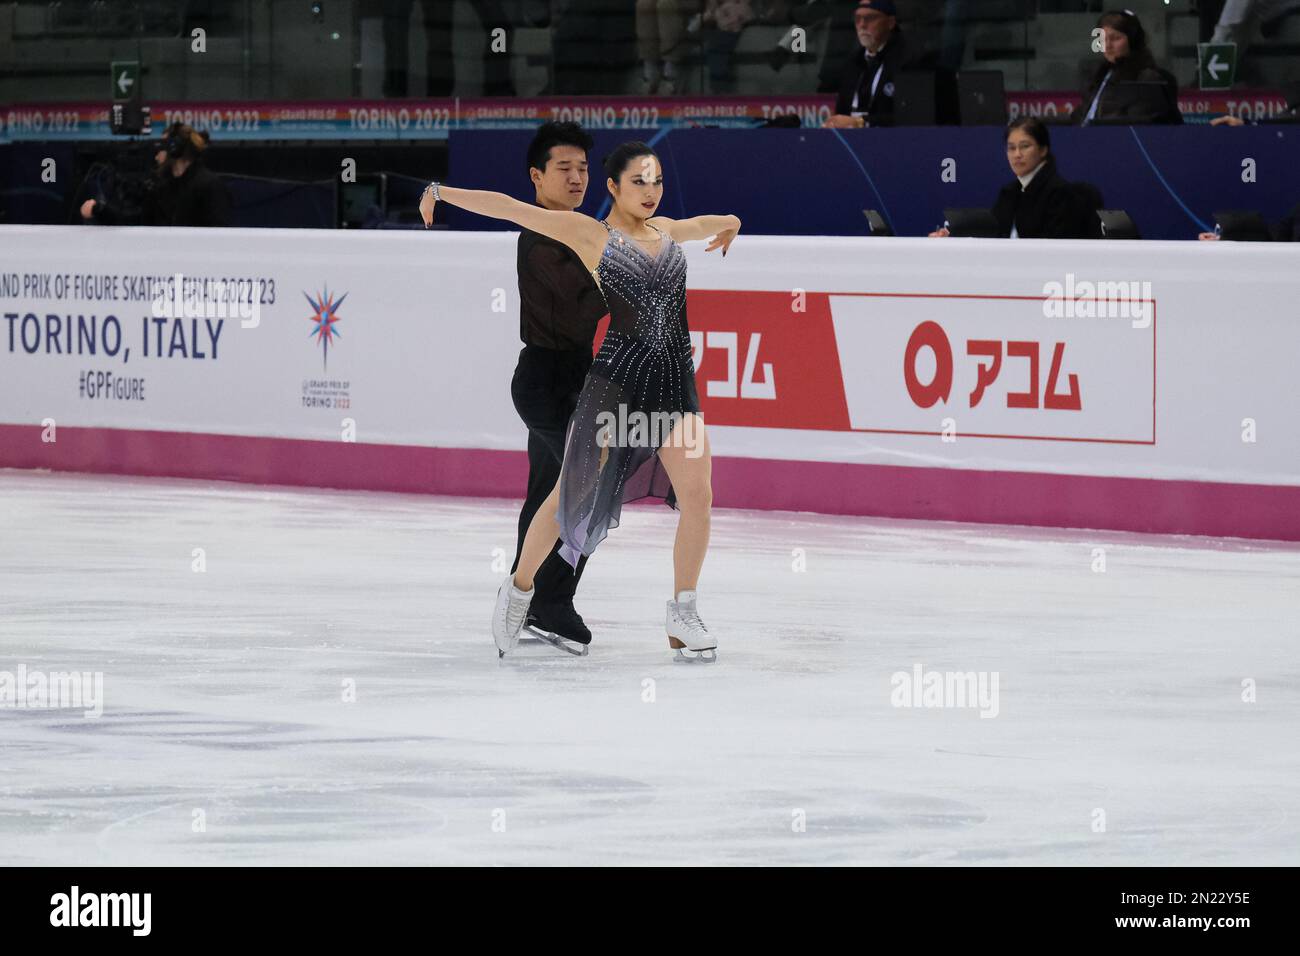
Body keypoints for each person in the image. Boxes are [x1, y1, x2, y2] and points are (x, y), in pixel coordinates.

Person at [418, 144, 741, 662]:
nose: (651, 192)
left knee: (698, 495)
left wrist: (732, 221)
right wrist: (440, 190)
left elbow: (705, 222)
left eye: (657, 181)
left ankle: (683, 611)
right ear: (613, 187)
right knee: (572, 495)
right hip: (617, 383)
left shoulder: (667, 233)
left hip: (673, 382)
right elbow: (509, 207)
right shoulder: (591, 234)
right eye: (639, 182)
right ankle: (519, 591)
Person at [508, 122, 609, 653]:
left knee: (550, 490)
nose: (576, 179)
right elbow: (578, 306)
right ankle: (547, 602)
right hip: (545, 382)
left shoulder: (586, 230)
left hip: (577, 376)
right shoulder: (542, 234)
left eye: (584, 169)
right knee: (583, 485)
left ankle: (529, 599)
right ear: (537, 176)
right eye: (564, 169)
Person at [929, 117, 1093, 240]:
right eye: (1011, 148)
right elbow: (993, 232)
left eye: (1025, 146)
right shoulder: (1009, 192)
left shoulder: (1060, 193)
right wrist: (954, 235)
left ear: (1043, 150)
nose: (1017, 155)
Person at [80, 122, 231, 227]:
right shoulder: (159, 185)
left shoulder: (209, 185)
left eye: (161, 147)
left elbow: (219, 233)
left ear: (174, 149)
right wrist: (101, 211)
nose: (156, 155)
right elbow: (134, 220)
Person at [1075, 10, 1182, 126]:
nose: (1107, 45)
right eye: (1102, 39)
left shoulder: (1146, 79)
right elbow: (1081, 117)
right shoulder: (1100, 75)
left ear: (1133, 41)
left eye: (1115, 38)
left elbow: (1141, 126)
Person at [824, 0, 910, 128]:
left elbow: (911, 117)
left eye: (870, 18)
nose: (862, 25)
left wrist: (862, 122)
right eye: (858, 19)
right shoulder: (852, 63)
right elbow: (843, 112)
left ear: (890, 22)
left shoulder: (910, 60)